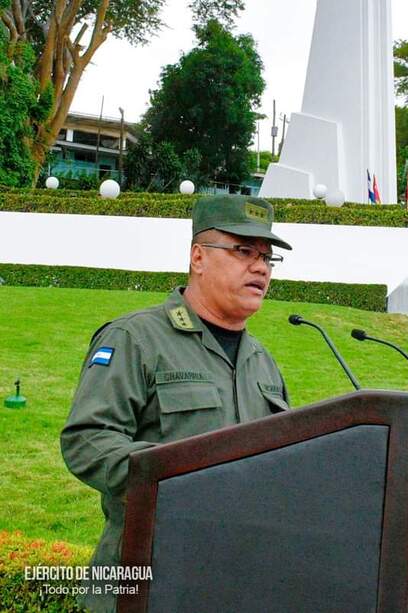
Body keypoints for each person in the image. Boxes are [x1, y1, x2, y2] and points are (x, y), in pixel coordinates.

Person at [61, 194, 292, 612]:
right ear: (198, 257)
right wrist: (181, 482)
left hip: (237, 582)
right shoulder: (136, 339)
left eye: (267, 258)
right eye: (243, 251)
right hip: (149, 578)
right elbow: (87, 440)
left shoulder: (263, 362)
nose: (260, 267)